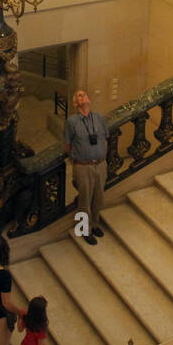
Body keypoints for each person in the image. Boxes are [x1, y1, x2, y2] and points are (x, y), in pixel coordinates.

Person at [64, 89, 108, 245]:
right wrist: (76, 160)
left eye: (84, 94)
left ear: (89, 99)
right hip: (83, 166)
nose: (82, 97)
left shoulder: (100, 118)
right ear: (76, 103)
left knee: (98, 198)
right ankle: (84, 229)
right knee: (84, 199)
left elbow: (105, 138)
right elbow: (68, 145)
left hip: (101, 164)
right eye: (79, 96)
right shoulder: (71, 121)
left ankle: (94, 224)